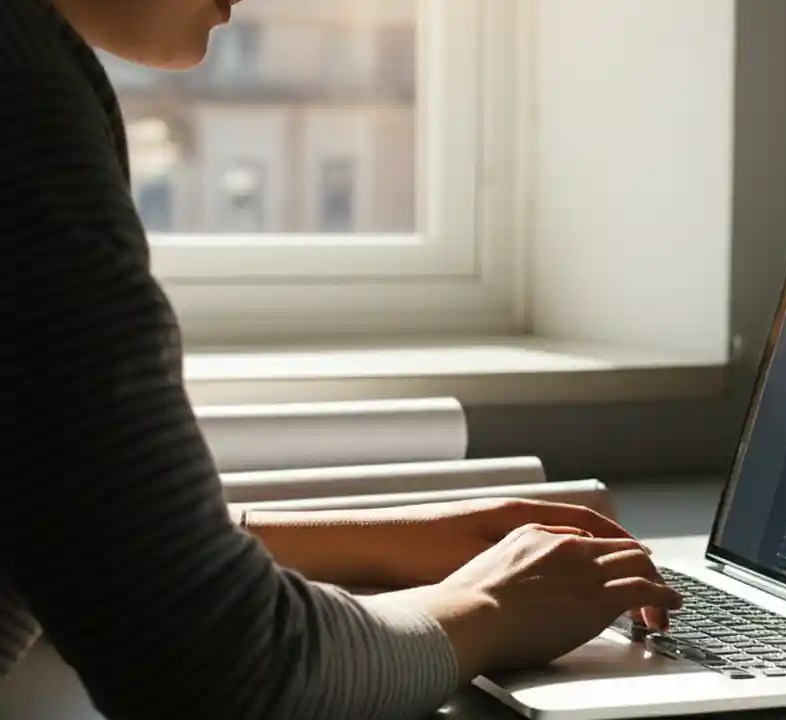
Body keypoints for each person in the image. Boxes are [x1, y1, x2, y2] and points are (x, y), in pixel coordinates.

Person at [0, 0, 682, 717]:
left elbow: (83, 530)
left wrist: (377, 542)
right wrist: (488, 605)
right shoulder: (22, 102)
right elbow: (216, 666)